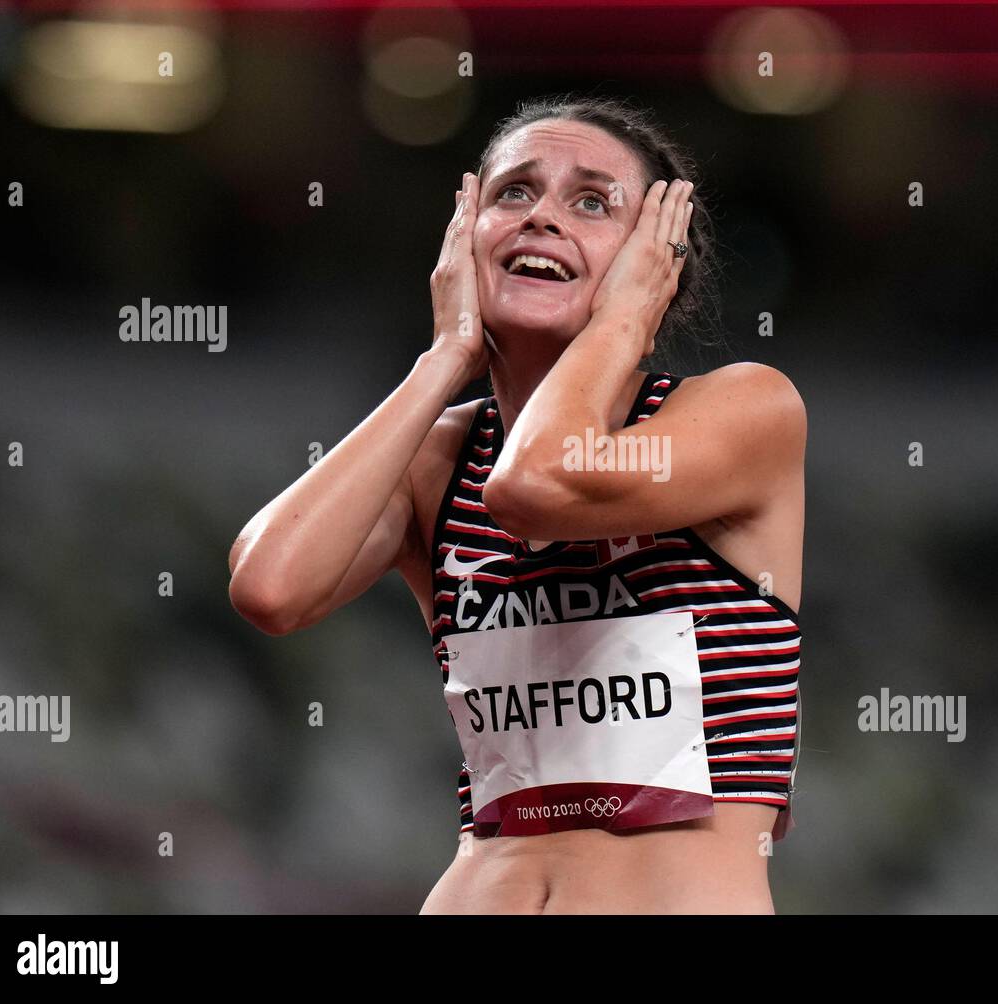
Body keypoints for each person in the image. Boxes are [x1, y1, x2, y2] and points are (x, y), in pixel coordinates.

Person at [228, 95, 806, 914]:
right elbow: (271, 587)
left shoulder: (746, 410)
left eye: (592, 201)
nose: (541, 216)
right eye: (512, 193)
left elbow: (536, 485)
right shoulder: (439, 457)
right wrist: (445, 356)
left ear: (657, 256)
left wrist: (627, 321)